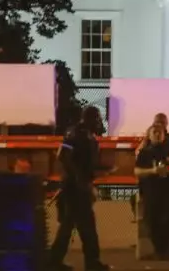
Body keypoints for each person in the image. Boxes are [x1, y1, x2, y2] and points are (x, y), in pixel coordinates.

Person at [47, 105, 110, 271]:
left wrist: (102, 170)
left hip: (80, 186)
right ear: (89, 118)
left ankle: (55, 261)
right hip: (75, 187)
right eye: (97, 118)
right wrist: (78, 177)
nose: (99, 122)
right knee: (84, 226)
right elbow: (63, 155)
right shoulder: (75, 133)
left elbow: (87, 162)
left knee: (71, 225)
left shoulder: (88, 136)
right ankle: (91, 262)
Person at [134, 124, 169, 259]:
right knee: (151, 219)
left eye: (160, 132)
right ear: (150, 135)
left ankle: (163, 247)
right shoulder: (145, 152)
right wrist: (153, 171)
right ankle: (159, 248)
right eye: (155, 132)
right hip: (152, 190)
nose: (157, 135)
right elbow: (137, 171)